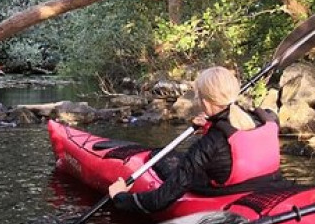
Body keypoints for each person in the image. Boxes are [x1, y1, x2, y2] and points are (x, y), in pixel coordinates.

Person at [107, 66, 284, 212]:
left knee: (159, 156)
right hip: (269, 184)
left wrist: (121, 197)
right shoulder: (266, 118)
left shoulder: (209, 144)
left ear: (205, 102)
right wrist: (209, 125)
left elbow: (159, 201)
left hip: (228, 190)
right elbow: (239, 135)